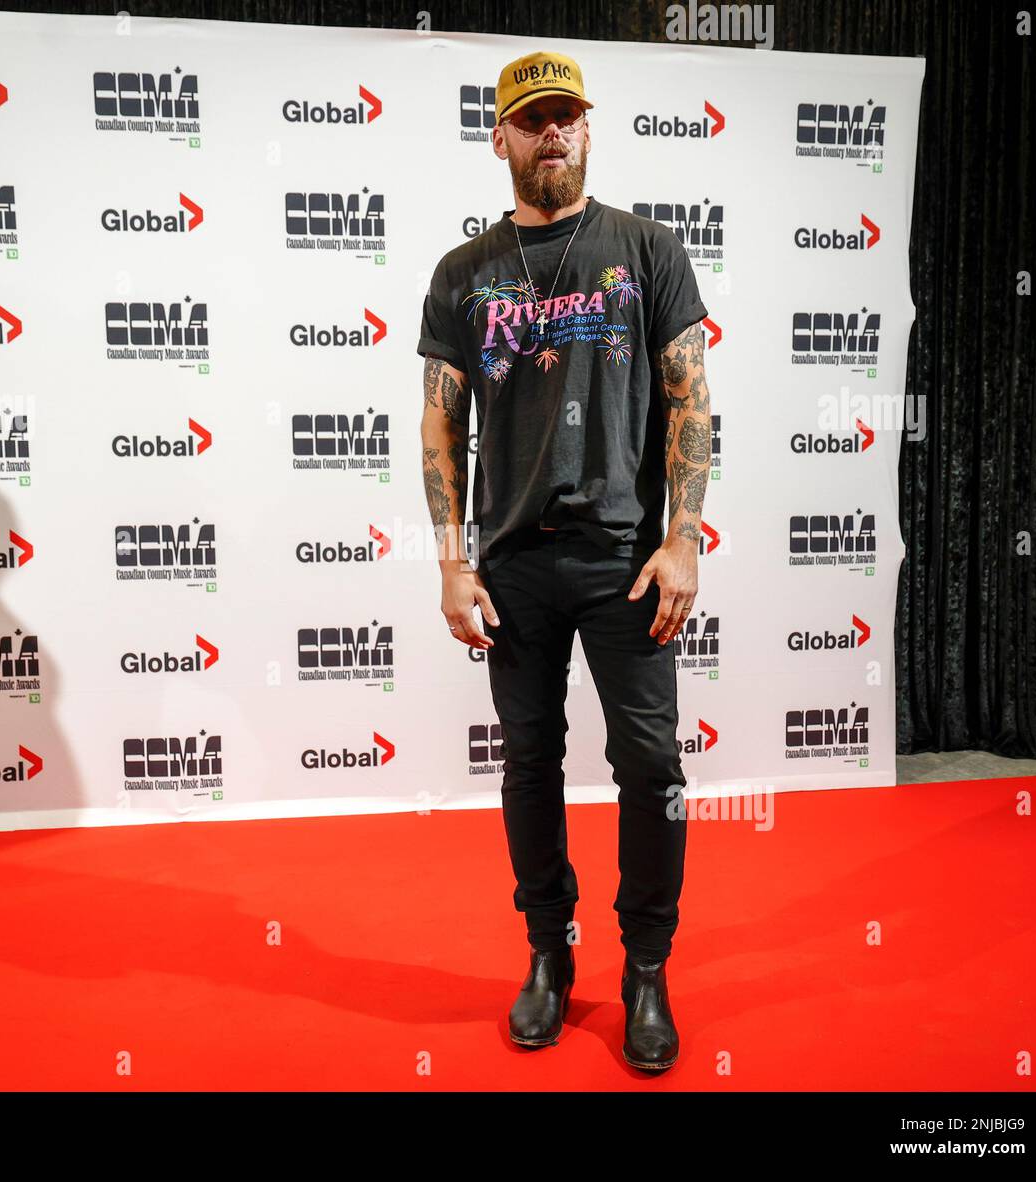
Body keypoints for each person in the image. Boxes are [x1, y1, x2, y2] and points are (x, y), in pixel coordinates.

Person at [416, 49, 712, 1072]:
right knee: (529, 766)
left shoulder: (646, 248)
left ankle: (645, 970)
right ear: (498, 135)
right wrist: (452, 563)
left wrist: (683, 537)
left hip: (628, 559)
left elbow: (690, 399)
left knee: (651, 768)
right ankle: (548, 953)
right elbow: (438, 424)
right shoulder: (464, 274)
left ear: (587, 128)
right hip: (511, 564)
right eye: (532, 119)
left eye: (567, 117)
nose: (552, 133)